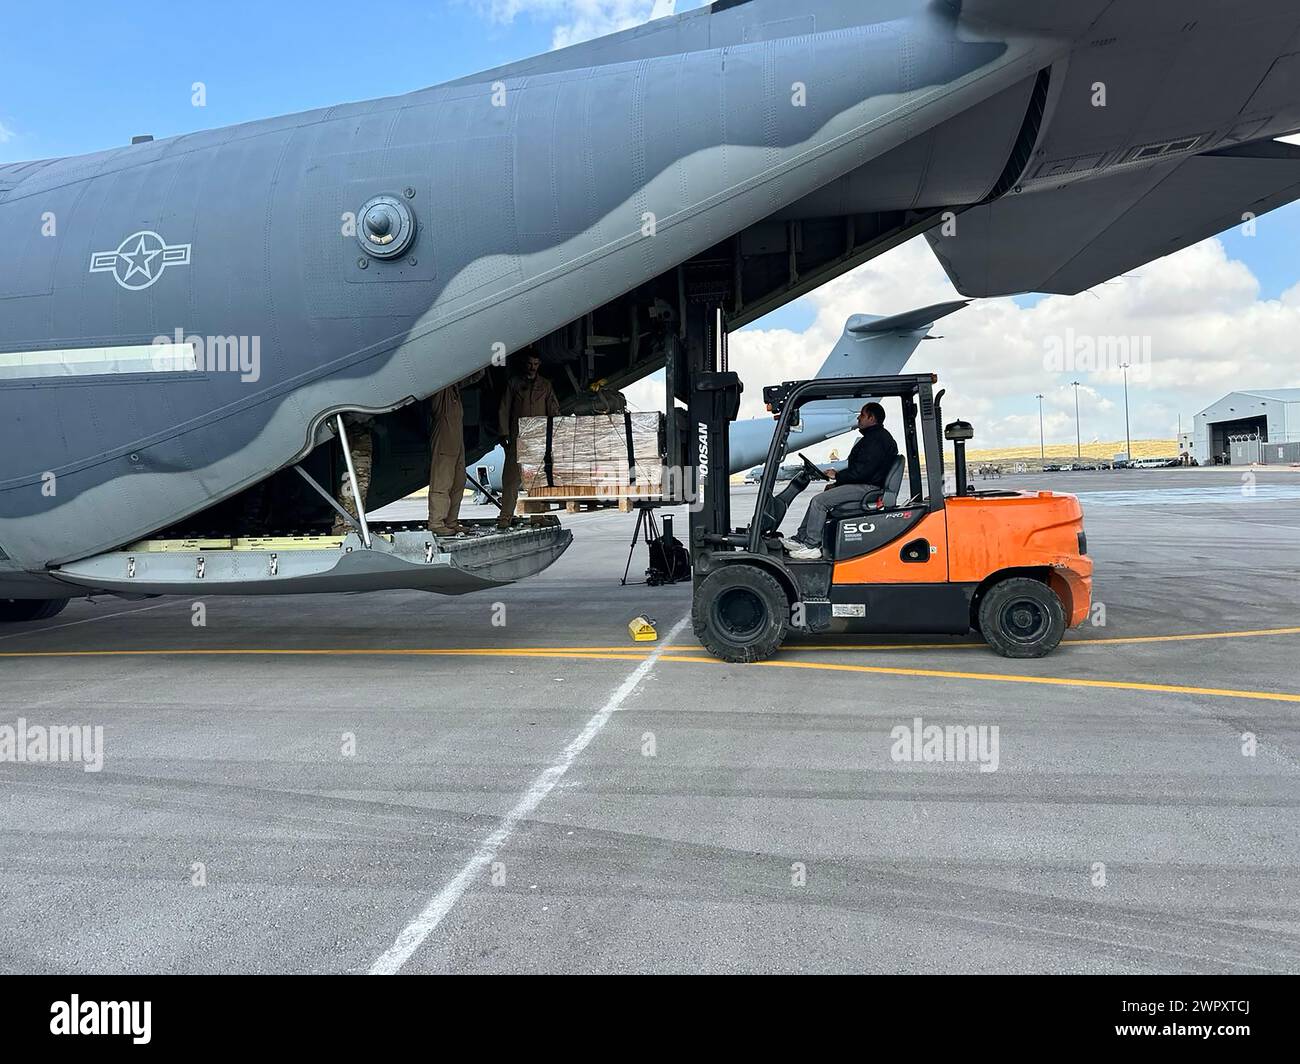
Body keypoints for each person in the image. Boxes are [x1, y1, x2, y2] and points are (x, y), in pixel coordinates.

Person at [787, 402, 898, 560]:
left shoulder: (876, 440)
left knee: (819, 502)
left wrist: (837, 476)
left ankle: (812, 545)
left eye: (862, 415)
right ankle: (801, 539)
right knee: (827, 492)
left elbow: (862, 471)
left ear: (872, 418)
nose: (858, 418)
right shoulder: (875, 437)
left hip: (868, 488)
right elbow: (863, 469)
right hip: (867, 484)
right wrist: (837, 482)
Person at [497, 352, 560, 529]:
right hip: (518, 437)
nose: (532, 367)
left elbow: (553, 410)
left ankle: (537, 517)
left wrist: (552, 436)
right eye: (530, 363)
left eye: (535, 364)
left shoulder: (545, 385)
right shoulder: (514, 383)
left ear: (539, 365)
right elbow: (504, 408)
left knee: (538, 480)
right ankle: (505, 517)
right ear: (525, 364)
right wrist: (504, 434)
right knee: (510, 479)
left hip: (537, 439)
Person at [427, 370, 485, 536]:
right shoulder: (441, 390)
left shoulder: (454, 388)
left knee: (459, 481)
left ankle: (451, 521)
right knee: (442, 482)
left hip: (456, 442)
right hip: (444, 439)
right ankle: (436, 522)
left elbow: (472, 377)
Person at [331, 414, 375, 536]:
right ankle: (346, 526)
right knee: (357, 480)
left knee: (356, 480)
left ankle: (347, 524)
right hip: (355, 430)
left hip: (355, 429)